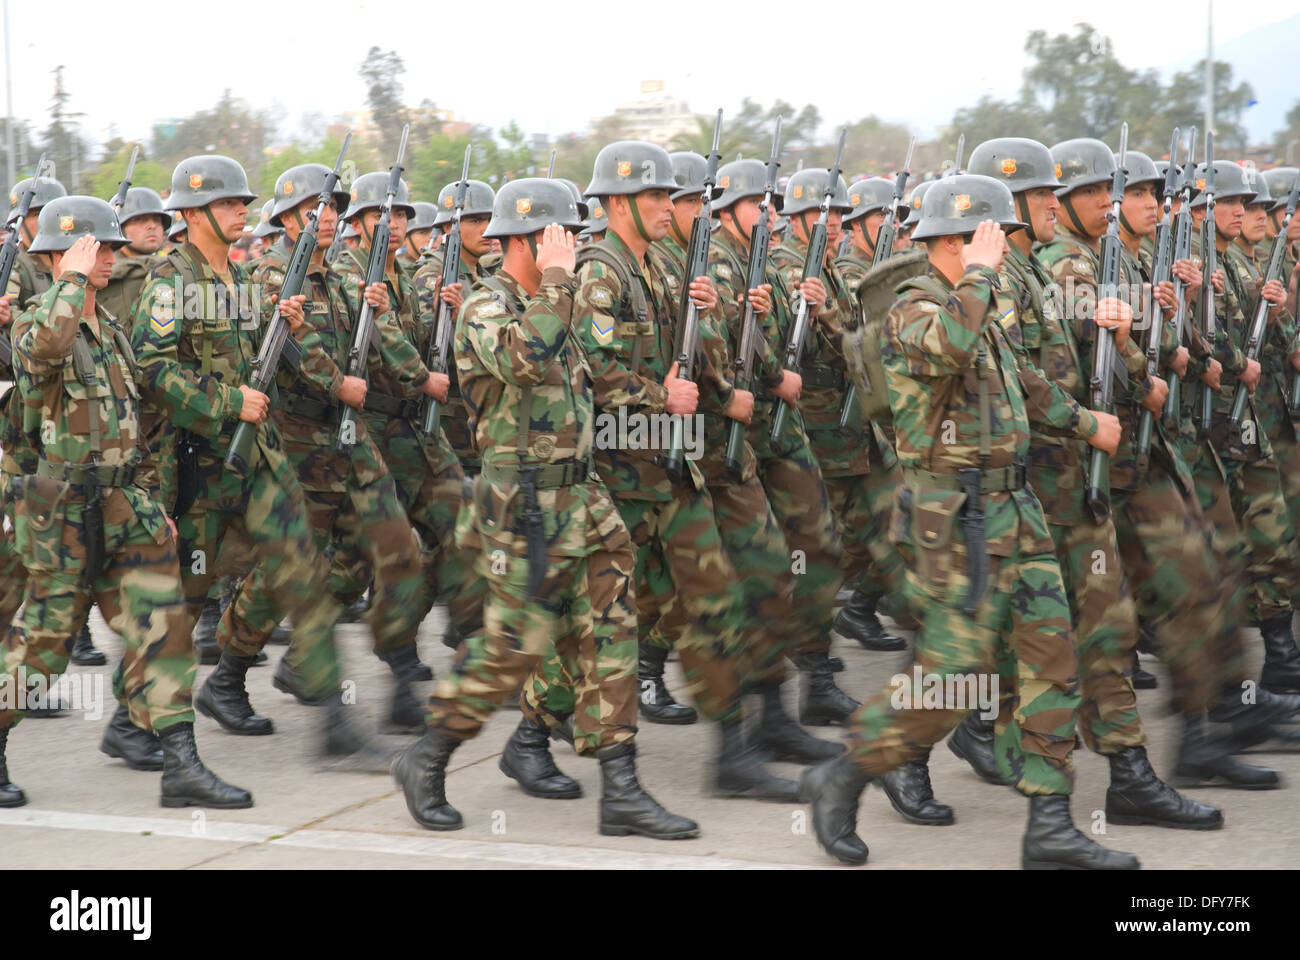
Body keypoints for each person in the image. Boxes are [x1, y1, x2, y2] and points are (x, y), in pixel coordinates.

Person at [803, 175, 1138, 869]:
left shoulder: (979, 307)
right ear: (955, 240)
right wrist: (981, 274)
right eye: (991, 237)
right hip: (952, 521)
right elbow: (948, 346)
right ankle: (848, 771)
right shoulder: (912, 308)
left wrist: (1087, 424)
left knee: (1054, 660)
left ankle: (1049, 824)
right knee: (954, 679)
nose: (1003, 246)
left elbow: (1025, 386)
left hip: (1014, 509)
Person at [394, 178, 697, 838]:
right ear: (526, 241)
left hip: (582, 496)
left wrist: (657, 394)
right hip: (520, 503)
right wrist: (559, 283)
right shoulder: (486, 305)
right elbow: (524, 359)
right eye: (560, 237)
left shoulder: (551, 302)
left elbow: (603, 377)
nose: (571, 250)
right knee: (514, 645)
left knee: (612, 630)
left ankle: (620, 785)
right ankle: (427, 755)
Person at [1, 195, 250, 809]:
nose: (109, 256)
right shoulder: (36, 319)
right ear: (61, 254)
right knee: (44, 647)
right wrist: (69, 282)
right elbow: (43, 352)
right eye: (97, 247)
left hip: (121, 509)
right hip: (59, 512)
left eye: (111, 247)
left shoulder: (110, 330)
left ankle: (181, 764)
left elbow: (131, 425)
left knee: (164, 626)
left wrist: (146, 497)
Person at [130, 155, 369, 761]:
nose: (242, 209)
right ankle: (133, 717)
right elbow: (152, 370)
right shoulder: (171, 280)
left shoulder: (235, 278)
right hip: (195, 462)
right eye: (230, 202)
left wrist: (277, 321)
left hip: (258, 455)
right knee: (183, 593)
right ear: (193, 212)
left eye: (243, 202)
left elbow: (244, 350)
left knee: (301, 564)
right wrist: (229, 401)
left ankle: (332, 720)